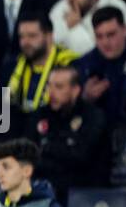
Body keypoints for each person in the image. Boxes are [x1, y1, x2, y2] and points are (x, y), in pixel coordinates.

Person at [20, 63, 110, 198]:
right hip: (44, 191)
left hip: (82, 195)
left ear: (75, 90)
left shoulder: (92, 116)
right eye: (49, 86)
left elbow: (81, 157)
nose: (51, 92)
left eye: (59, 87)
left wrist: (46, 148)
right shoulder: (39, 115)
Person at [74, 6, 126, 127]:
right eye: (99, 36)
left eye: (111, 34)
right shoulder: (88, 62)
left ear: (125, 30)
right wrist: (85, 98)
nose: (105, 43)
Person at [5, 12, 77, 113]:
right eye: (21, 37)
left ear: (49, 36)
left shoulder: (69, 65)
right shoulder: (12, 67)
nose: (25, 42)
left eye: (32, 36)